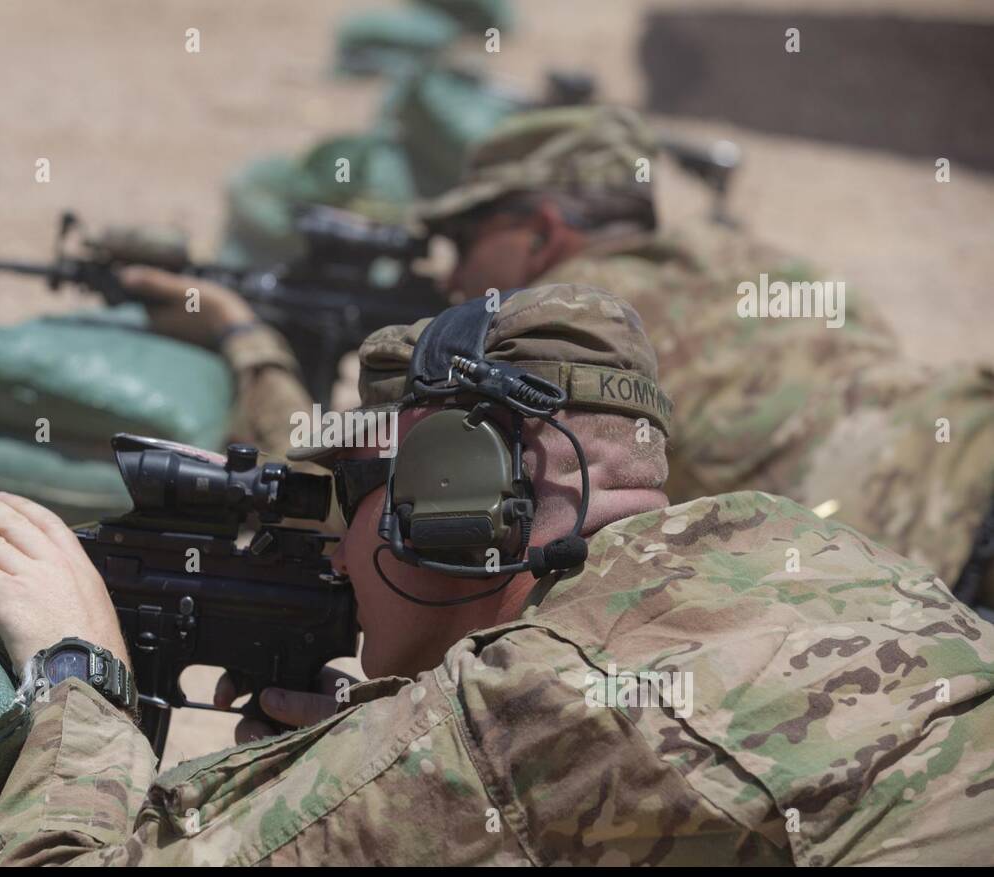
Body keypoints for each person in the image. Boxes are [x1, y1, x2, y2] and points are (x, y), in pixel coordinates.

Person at [0, 284, 994, 866]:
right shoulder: (812, 549)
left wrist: (78, 676)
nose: (337, 552)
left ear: (450, 498)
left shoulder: (523, 710)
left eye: (347, 499)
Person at [411, 104, 994, 610]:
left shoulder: (563, 321)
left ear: (541, 229)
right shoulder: (746, 254)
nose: (454, 274)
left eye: (464, 239)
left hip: (937, 535)